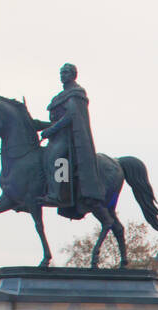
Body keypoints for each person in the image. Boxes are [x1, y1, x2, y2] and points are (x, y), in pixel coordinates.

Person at [36, 63, 105, 213]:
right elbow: (55, 121)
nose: (63, 75)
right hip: (56, 138)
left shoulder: (76, 93)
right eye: (61, 72)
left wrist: (51, 129)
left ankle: (55, 195)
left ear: (74, 75)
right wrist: (36, 125)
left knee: (55, 158)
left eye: (66, 72)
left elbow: (71, 116)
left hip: (69, 138)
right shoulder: (58, 97)